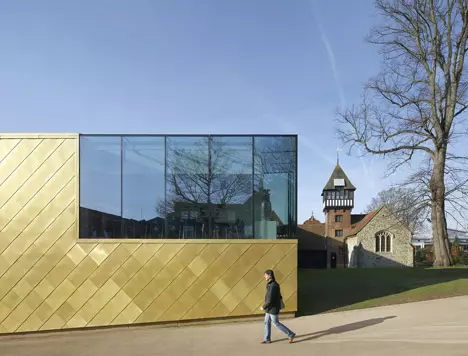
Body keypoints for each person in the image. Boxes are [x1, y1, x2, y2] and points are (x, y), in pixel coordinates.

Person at [260, 269, 296, 344]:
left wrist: (263, 307)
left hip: (273, 308)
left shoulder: (273, 285)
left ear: (270, 276)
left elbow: (270, 299)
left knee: (276, 323)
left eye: (265, 275)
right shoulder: (270, 284)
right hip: (269, 308)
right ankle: (267, 339)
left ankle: (291, 334)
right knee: (266, 322)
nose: (264, 276)